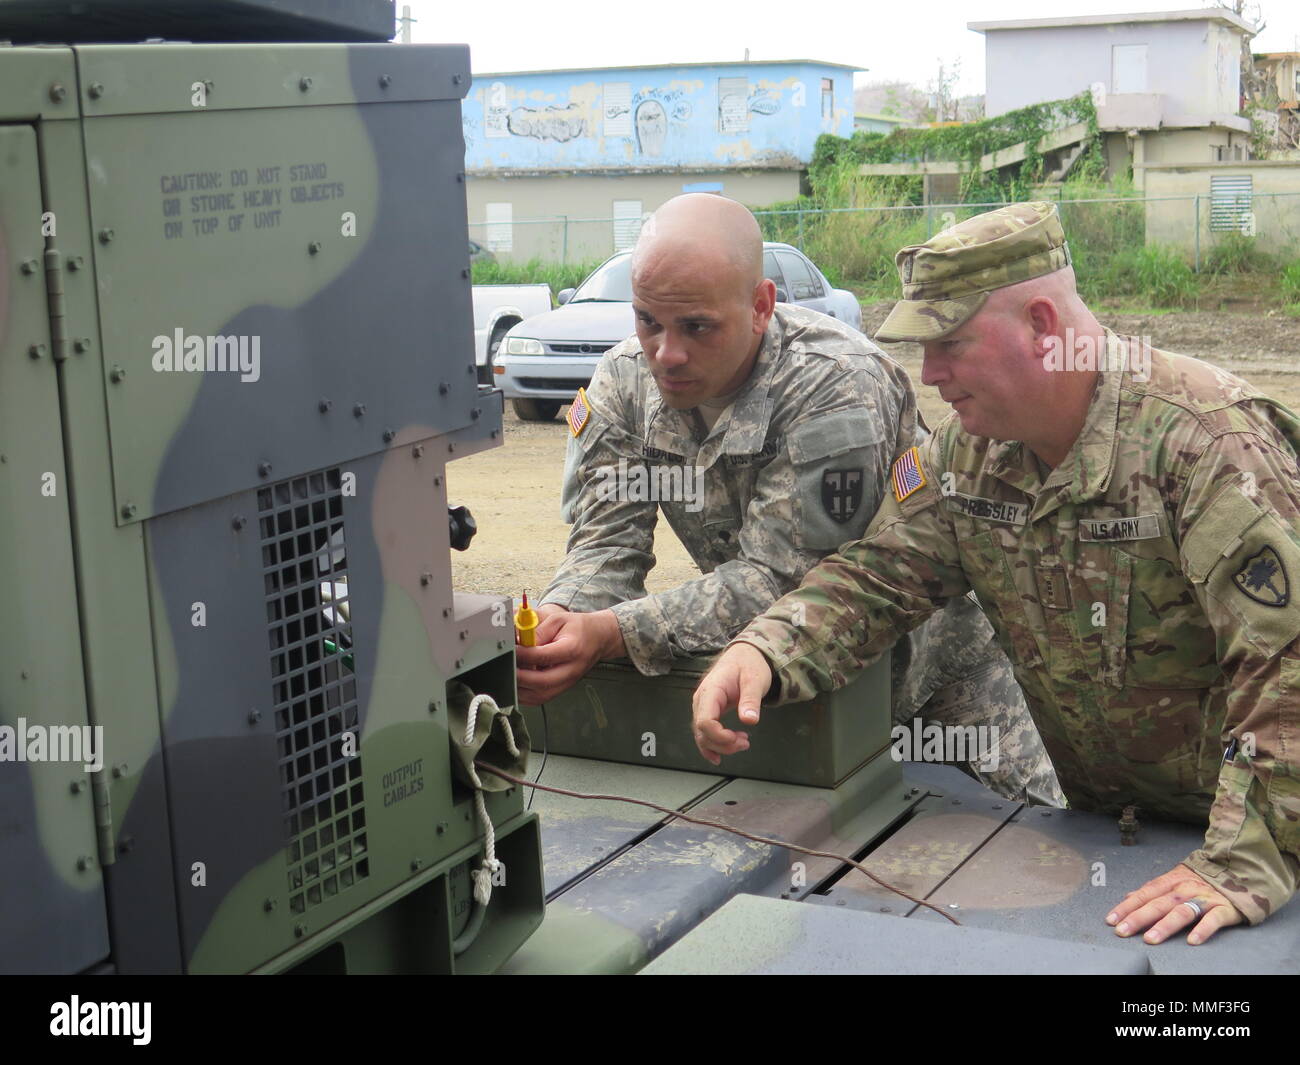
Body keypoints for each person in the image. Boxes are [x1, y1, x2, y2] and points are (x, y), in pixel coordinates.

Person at [692, 200, 1300, 945]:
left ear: (1043, 326)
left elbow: (1286, 662)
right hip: (1120, 841)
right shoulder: (966, 458)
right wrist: (766, 648)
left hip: (1266, 849)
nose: (931, 373)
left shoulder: (1205, 444)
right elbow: (879, 574)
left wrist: (1242, 860)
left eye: (949, 343)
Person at [515, 193, 1064, 805]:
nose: (667, 353)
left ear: (759, 306)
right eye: (648, 321)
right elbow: (605, 544)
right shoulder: (623, 384)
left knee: (1034, 845)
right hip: (771, 671)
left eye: (697, 327)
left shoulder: (834, 385)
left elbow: (787, 580)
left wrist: (615, 630)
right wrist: (562, 625)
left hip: (933, 679)